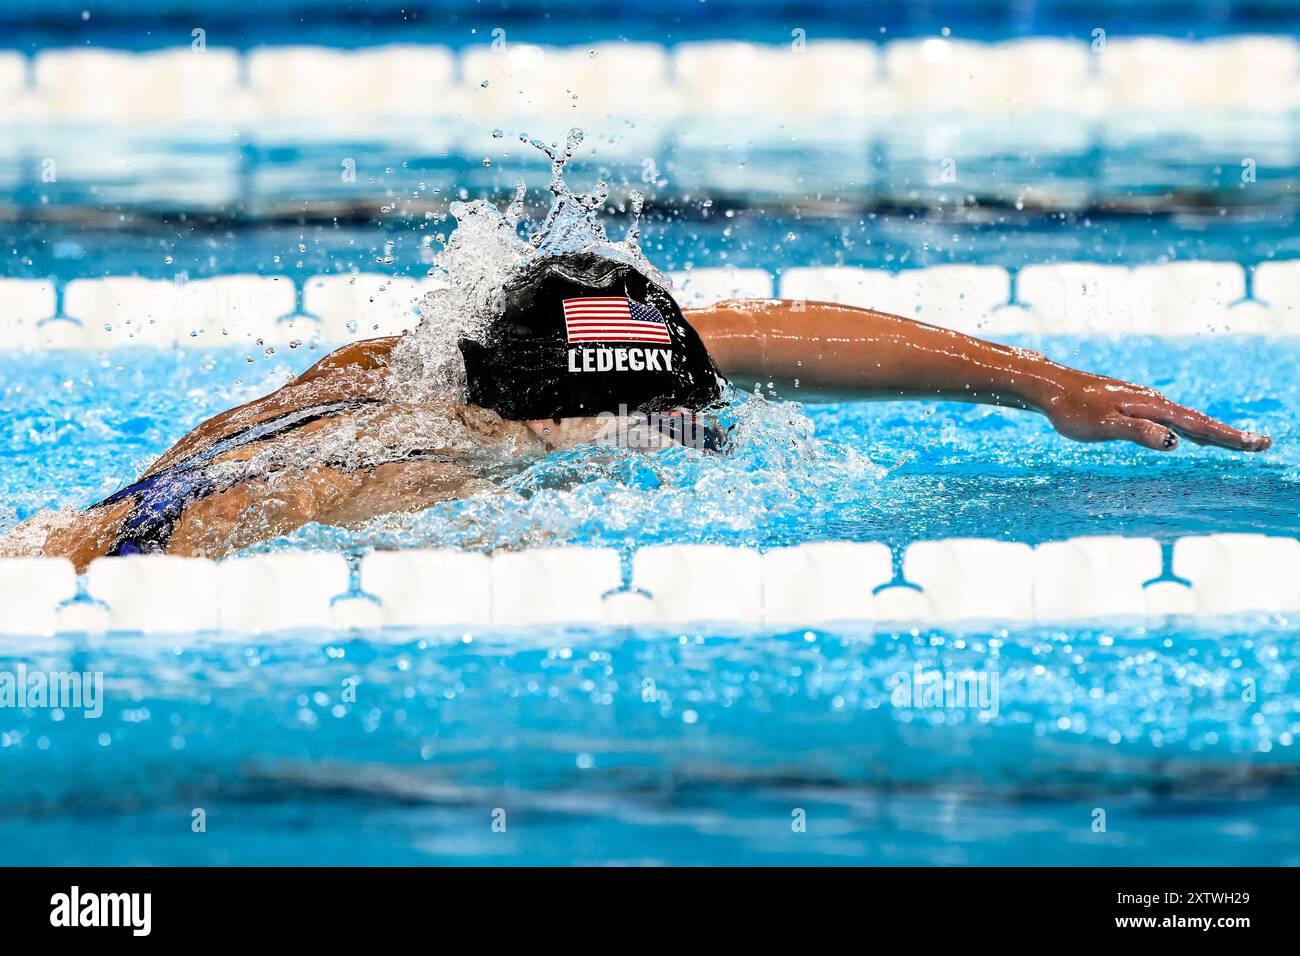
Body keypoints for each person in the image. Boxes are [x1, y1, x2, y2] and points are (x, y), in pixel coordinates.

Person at [20, 251, 1270, 571]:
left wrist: (1047, 385)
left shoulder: (410, 363)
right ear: (562, 410)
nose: (679, 419)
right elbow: (135, 557)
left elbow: (755, 335)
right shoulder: (384, 470)